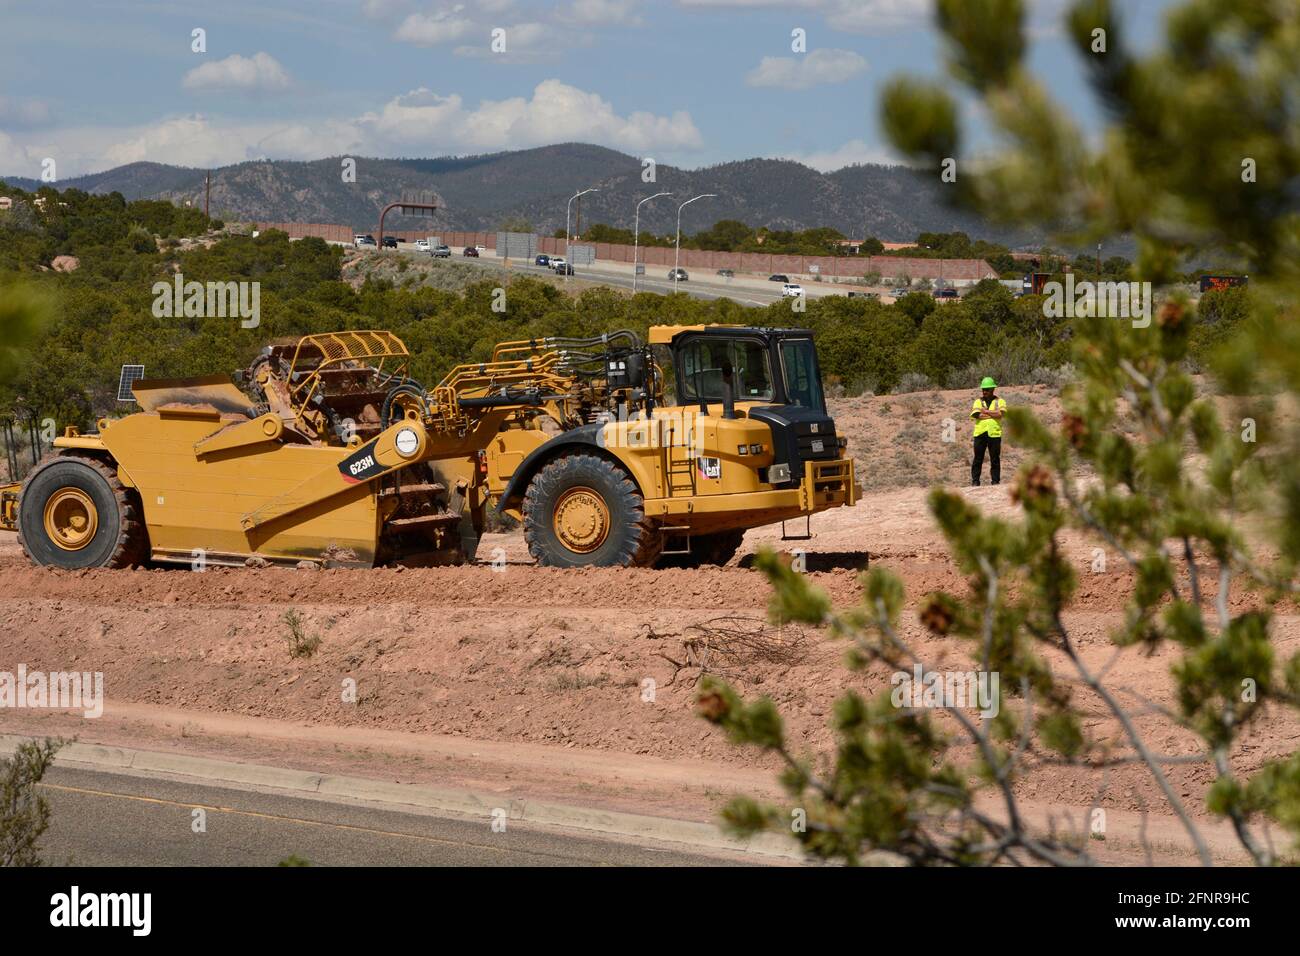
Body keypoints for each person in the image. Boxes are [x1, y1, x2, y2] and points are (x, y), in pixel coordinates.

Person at [970, 376, 1006, 486]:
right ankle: (975, 481)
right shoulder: (977, 401)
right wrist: (993, 414)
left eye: (987, 389)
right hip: (980, 434)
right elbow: (977, 415)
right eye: (983, 389)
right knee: (977, 459)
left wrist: (985, 411)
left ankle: (995, 481)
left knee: (995, 459)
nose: (984, 392)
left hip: (994, 434)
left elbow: (1001, 414)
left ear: (993, 389)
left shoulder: (1000, 401)